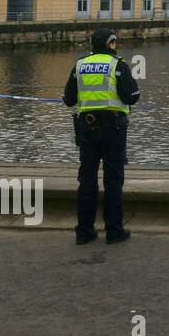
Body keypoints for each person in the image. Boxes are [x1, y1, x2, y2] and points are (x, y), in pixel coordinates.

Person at [62, 28, 141, 245]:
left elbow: (68, 99)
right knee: (113, 180)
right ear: (111, 43)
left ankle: (84, 232)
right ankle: (114, 231)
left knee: (86, 180)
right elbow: (132, 97)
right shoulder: (118, 65)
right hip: (114, 128)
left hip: (87, 128)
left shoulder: (79, 65)